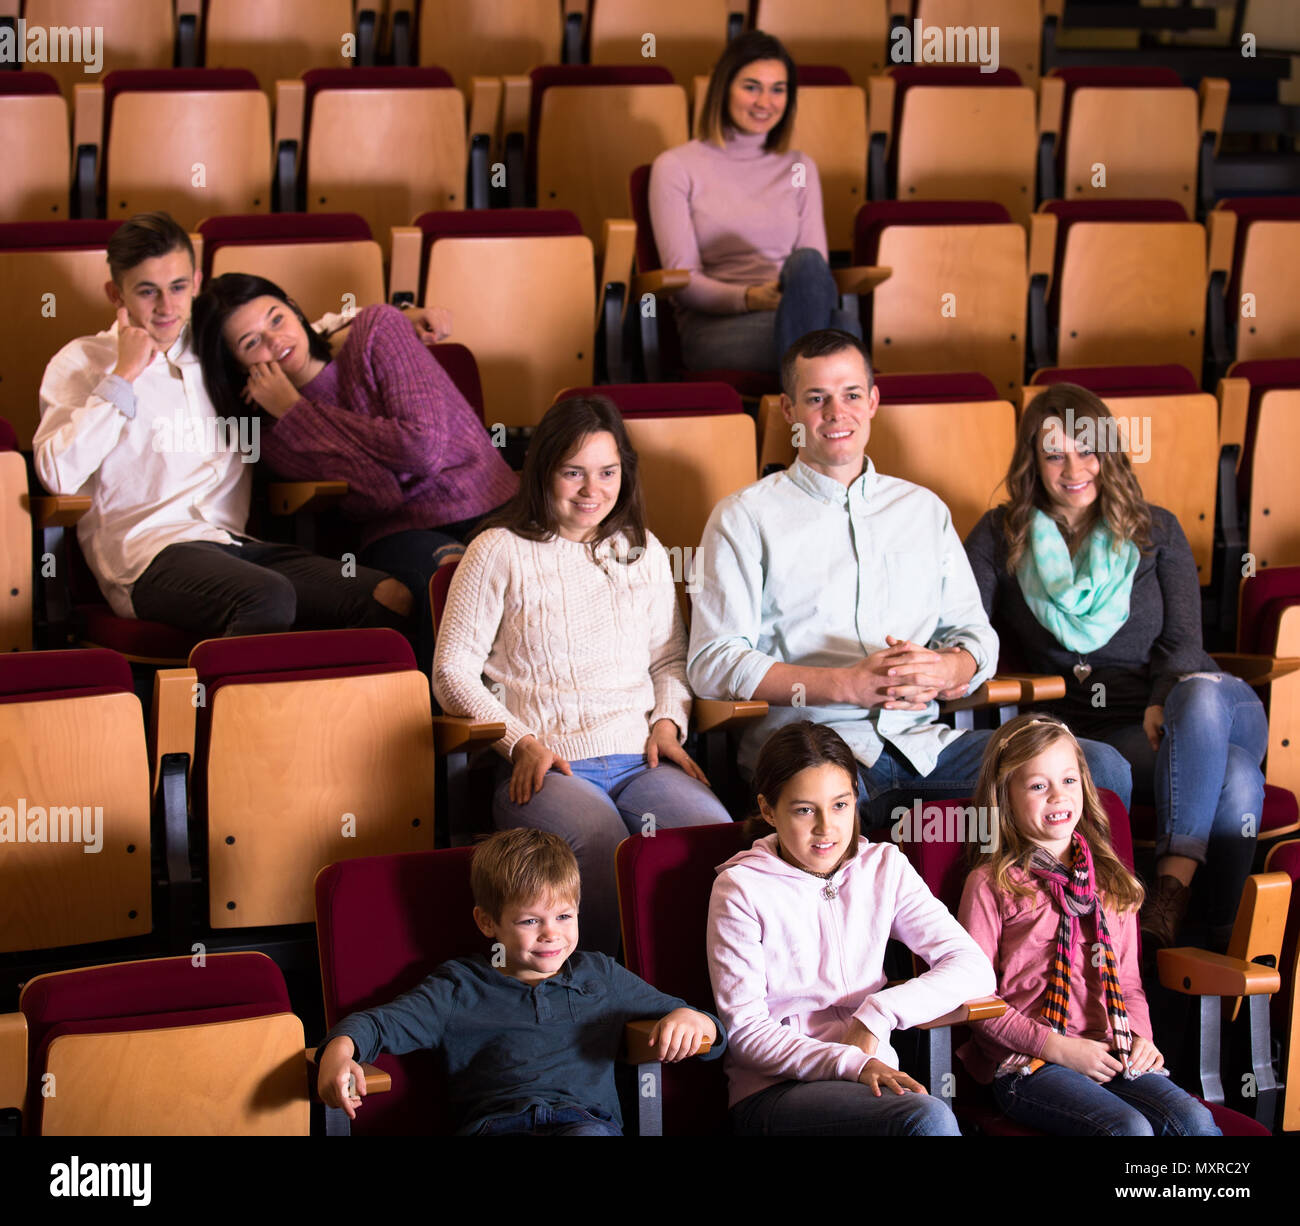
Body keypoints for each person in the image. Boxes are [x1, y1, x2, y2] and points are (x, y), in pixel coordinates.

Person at [687, 329, 1133, 830]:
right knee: (833, 818)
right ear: (789, 410)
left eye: (851, 395)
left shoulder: (923, 511)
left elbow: (975, 635)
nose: (837, 413)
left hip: (926, 746)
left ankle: (1076, 885)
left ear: (873, 401)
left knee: (1102, 768)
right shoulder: (744, 517)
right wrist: (846, 685)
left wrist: (948, 669)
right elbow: (712, 661)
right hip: (812, 754)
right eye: (817, 399)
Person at [33, 211, 450, 640]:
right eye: (147, 291)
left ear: (196, 282)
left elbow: (296, 333)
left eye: (178, 287)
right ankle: (229, 687)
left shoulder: (219, 348)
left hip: (235, 545)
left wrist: (399, 316)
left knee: (387, 598)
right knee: (266, 597)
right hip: (148, 556)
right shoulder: (82, 362)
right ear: (115, 294)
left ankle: (319, 688)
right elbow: (57, 474)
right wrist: (124, 375)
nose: (166, 307)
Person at [964, 384, 1264, 949]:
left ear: (1107, 452)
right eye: (1054, 454)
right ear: (1033, 461)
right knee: (1238, 777)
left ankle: (1167, 896)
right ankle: (1209, 948)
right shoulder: (1003, 535)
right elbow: (965, 627)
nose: (1073, 468)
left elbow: (1184, 644)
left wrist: (1161, 699)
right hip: (1100, 731)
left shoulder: (1155, 530)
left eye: (1086, 450)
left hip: (1195, 708)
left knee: (1198, 695)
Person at [433, 396, 733, 955]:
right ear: (543, 471)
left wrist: (667, 723)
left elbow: (669, 661)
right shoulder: (497, 550)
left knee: (711, 835)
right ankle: (603, 992)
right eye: (573, 472)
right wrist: (519, 741)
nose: (592, 489)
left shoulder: (643, 552)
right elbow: (452, 672)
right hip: (545, 768)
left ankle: (693, 990)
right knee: (601, 844)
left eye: (607, 472)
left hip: (640, 760)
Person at [192, 273, 518, 671]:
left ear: (294, 309)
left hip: (491, 502)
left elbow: (422, 449)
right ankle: (445, 708)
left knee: (529, 572)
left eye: (276, 319)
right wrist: (294, 413)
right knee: (451, 578)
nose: (275, 341)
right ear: (238, 366)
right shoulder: (275, 434)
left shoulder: (377, 329)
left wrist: (302, 411)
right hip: (401, 531)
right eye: (251, 343)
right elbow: (381, 494)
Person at [316, 828, 724, 1136]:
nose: (551, 934)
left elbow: (711, 1031)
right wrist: (338, 1053)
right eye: (530, 921)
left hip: (584, 1123)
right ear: (487, 922)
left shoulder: (600, 975)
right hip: (495, 1125)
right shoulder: (460, 986)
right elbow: (377, 1024)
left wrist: (692, 1020)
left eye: (564, 916)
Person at [707, 720, 994, 1136]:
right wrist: (851, 1062)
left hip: (872, 1081)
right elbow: (747, 1033)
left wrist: (877, 1014)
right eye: (805, 810)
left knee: (925, 1117)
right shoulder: (740, 888)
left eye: (840, 805)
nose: (826, 828)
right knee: (926, 1119)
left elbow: (973, 967)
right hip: (776, 1090)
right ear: (768, 810)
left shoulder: (884, 866)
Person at [958, 714, 1221, 1136]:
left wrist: (1141, 1038)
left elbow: (1129, 985)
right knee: (1128, 1128)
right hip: (1029, 1062)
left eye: (1069, 780)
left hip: (1109, 1048)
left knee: (1193, 1120)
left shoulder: (1112, 881)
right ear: (1004, 796)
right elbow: (976, 1002)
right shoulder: (992, 883)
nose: (1058, 796)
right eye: (1038, 786)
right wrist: (1059, 1048)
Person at [647, 31, 861, 373]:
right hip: (717, 325)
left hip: (792, 307)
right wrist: (749, 297)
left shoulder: (800, 167)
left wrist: (789, 300)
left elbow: (814, 268)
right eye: (751, 87)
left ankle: (799, 398)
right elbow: (684, 283)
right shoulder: (675, 167)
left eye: (778, 89)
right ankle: (812, 393)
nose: (765, 102)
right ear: (723, 89)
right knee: (843, 335)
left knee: (809, 266)